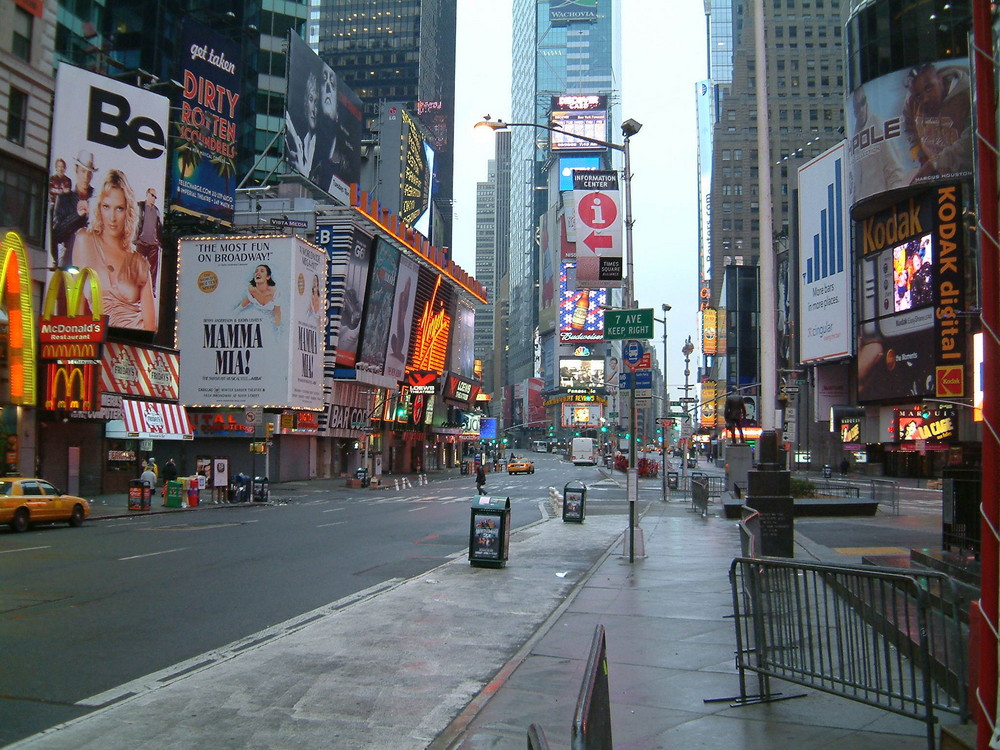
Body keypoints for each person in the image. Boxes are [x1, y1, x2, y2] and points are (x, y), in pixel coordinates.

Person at [73, 169, 157, 331]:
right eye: (106, 207)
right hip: (96, 342)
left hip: (135, 348)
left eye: (119, 208)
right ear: (98, 207)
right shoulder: (85, 241)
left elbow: (150, 327)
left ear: (128, 211)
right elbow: (75, 302)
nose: (112, 217)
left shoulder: (139, 262)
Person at [902, 63, 972, 183]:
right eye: (919, 95)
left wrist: (934, 164)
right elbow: (908, 126)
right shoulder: (911, 102)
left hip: (968, 179)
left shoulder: (968, 94)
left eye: (929, 88)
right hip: (935, 177)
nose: (925, 98)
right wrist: (918, 151)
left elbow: (971, 142)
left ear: (939, 79)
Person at [51, 150, 97, 266]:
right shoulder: (64, 199)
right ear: (76, 171)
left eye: (89, 173)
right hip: (70, 259)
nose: (86, 177)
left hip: (94, 260)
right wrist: (77, 215)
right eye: (83, 171)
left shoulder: (99, 199)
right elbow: (57, 234)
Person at [134, 187, 163, 290]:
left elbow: (159, 227)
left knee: (153, 269)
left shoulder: (156, 211)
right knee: (138, 267)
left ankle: (152, 289)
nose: (154, 198)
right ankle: (136, 288)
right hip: (141, 242)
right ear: (147, 195)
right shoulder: (140, 206)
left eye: (155, 196)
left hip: (153, 244)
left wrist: (159, 242)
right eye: (152, 195)